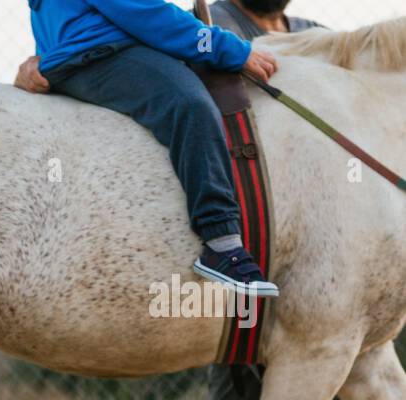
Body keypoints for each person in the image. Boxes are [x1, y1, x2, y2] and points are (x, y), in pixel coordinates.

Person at [18, 1, 406, 400]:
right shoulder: (216, 16)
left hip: (307, 288)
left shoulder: (308, 35)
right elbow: (155, 27)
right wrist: (227, 49)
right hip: (263, 285)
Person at [26, 0, 281, 297]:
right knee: (190, 106)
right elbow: (147, 14)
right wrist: (231, 49)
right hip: (100, 53)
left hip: (82, 52)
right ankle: (221, 243)